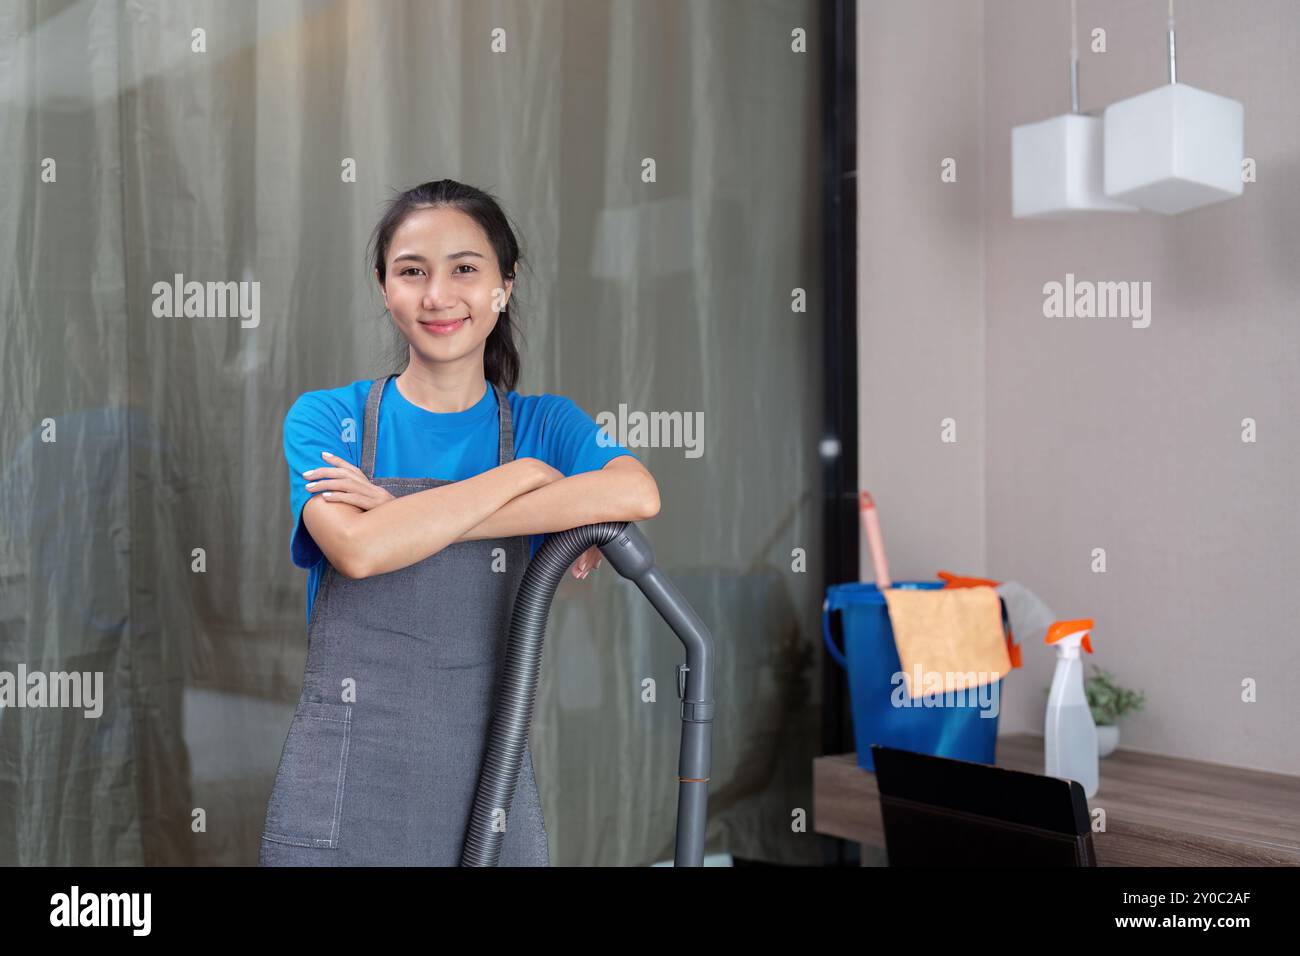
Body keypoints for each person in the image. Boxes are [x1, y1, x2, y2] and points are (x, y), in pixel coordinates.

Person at [258, 179, 658, 866]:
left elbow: (636, 493)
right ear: (385, 289)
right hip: (344, 786)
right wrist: (529, 480)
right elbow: (358, 550)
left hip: (490, 781)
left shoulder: (544, 423)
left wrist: (410, 520)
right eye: (411, 271)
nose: (437, 296)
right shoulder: (328, 420)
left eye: (464, 269)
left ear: (504, 285)